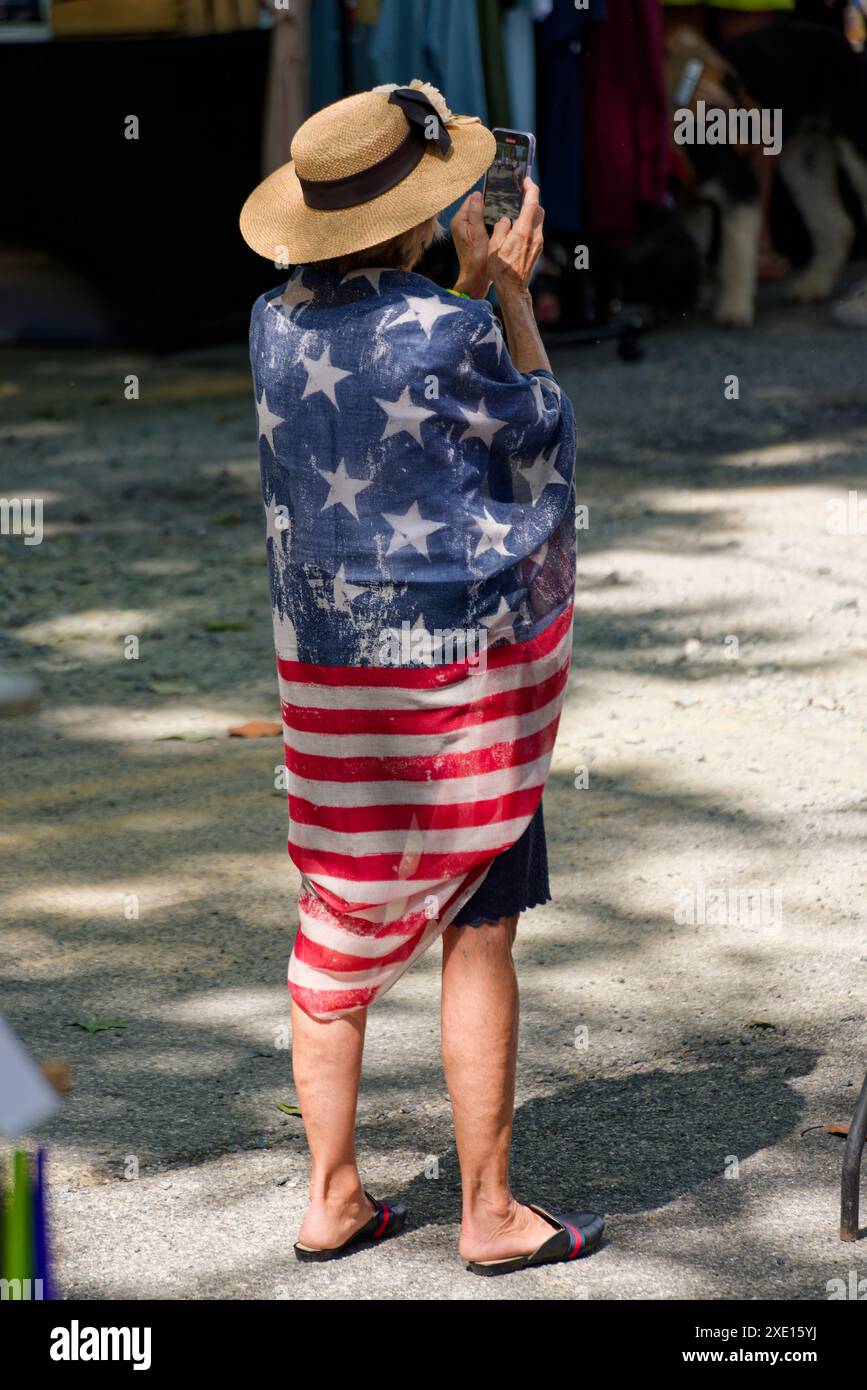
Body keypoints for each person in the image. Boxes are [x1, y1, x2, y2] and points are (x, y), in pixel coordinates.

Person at [239, 79, 602, 1276]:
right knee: (480, 928)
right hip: (458, 691)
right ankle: (489, 1212)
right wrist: (507, 292)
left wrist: (456, 290)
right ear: (418, 212)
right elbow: (535, 433)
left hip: (331, 699)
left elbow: (382, 377)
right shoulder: (455, 329)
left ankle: (331, 1197)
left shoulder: (271, 326)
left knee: (334, 922)